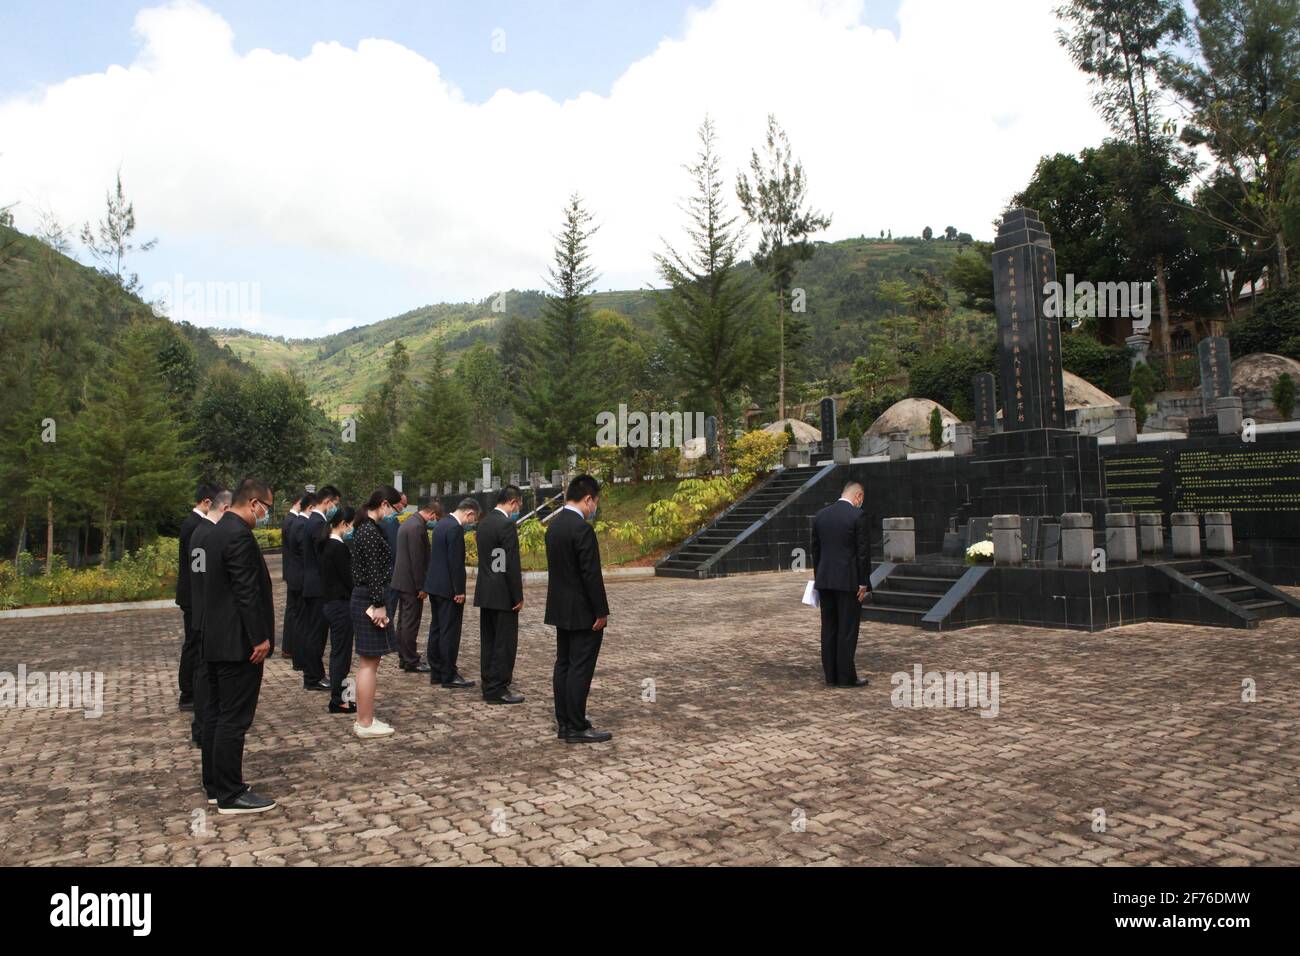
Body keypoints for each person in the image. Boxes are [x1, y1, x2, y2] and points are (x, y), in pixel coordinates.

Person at [199, 477, 276, 814]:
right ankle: (231, 792)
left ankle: (215, 785)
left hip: (215, 637)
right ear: (254, 503)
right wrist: (259, 636)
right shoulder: (238, 536)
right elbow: (247, 592)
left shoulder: (215, 531)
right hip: (237, 643)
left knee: (216, 715)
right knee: (234, 718)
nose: (266, 515)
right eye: (267, 509)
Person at [544, 475, 611, 743]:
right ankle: (576, 725)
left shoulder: (555, 526)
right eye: (594, 502)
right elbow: (590, 575)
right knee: (580, 668)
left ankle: (564, 722)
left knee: (564, 664)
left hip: (561, 608)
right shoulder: (582, 529)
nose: (594, 507)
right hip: (583, 611)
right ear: (587, 499)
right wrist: (601, 611)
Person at [349, 485, 404, 738]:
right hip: (369, 600)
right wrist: (380, 603)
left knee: (369, 662)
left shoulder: (366, 529)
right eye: (393, 508)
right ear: (383, 504)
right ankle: (365, 722)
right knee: (368, 663)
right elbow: (373, 573)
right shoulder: (369, 531)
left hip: (366, 597)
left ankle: (365, 718)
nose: (393, 514)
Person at [810, 481, 872, 688]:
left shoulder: (821, 516)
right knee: (847, 629)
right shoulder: (857, 516)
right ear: (859, 497)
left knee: (828, 628)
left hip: (825, 581)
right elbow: (862, 553)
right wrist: (863, 582)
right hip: (848, 582)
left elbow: (815, 551)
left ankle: (831, 676)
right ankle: (846, 677)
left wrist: (819, 578)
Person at [186, 489, 231, 747]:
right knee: (204, 677)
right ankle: (203, 727)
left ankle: (203, 725)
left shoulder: (202, 532)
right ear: (224, 509)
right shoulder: (206, 534)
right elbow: (203, 578)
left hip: (203, 612)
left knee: (204, 674)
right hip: (207, 615)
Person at [474, 485, 525, 704]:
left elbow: (496, 560)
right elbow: (509, 563)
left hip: (486, 591)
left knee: (489, 641)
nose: (517, 510)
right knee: (504, 643)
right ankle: (499, 688)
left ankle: (488, 683)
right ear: (513, 502)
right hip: (502, 594)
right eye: (518, 506)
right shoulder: (506, 525)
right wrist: (517, 595)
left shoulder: (484, 523)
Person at [423, 498, 480, 689]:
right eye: (473, 519)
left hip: (435, 585)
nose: (471, 523)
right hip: (448, 588)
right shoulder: (455, 528)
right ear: (469, 513)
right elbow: (455, 562)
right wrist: (460, 590)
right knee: (449, 631)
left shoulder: (441, 523)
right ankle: (449, 673)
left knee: (437, 628)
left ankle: (437, 671)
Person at [177, 482, 217, 713]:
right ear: (207, 502)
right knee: (193, 645)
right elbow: (198, 567)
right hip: (194, 597)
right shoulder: (195, 526)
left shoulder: (194, 524)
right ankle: (188, 693)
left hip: (194, 595)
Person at [391, 496, 441, 673]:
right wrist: (421, 586)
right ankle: (411, 659)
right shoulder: (417, 527)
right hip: (411, 583)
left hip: (402, 580)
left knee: (403, 621)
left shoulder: (409, 522)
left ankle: (404, 657)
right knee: (410, 622)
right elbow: (417, 560)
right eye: (435, 518)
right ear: (432, 514)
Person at [299, 485, 341, 692]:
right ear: (327, 501)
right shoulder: (317, 523)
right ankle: (313, 676)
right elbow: (323, 556)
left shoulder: (315, 521)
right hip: (318, 586)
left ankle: (314, 674)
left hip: (314, 584)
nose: (335, 507)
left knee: (315, 632)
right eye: (335, 503)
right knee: (316, 633)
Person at [320, 506, 357, 715]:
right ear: (344, 524)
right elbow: (348, 579)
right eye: (350, 525)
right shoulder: (338, 548)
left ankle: (340, 697)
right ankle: (339, 699)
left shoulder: (326, 545)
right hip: (341, 606)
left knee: (338, 653)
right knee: (341, 655)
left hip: (330, 604)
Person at [284, 491, 316, 671]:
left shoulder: (297, 522)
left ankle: (298, 654)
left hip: (295, 575)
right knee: (301, 619)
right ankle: (300, 656)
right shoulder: (301, 524)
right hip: (300, 578)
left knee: (298, 618)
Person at [279, 494, 306, 660]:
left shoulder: (290, 520)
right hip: (295, 573)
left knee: (292, 610)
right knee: (294, 611)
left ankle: (290, 646)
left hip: (291, 572)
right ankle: (290, 646)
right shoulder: (292, 521)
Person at [382, 491, 407, 619]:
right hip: (390, 576)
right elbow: (395, 551)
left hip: (385, 576)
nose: (402, 508)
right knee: (387, 615)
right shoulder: (391, 523)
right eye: (401, 504)